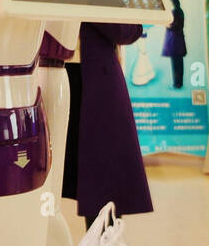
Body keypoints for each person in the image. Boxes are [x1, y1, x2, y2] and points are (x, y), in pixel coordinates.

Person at [62, 22, 154, 228]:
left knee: (104, 184)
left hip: (98, 83)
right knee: (40, 182)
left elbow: (128, 31)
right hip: (50, 76)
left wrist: (89, 0)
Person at [162, 0, 187, 88]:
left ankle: (177, 84)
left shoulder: (176, 11)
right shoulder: (180, 11)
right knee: (179, 62)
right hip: (178, 40)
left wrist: (168, 26)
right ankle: (178, 83)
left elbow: (175, 25)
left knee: (176, 63)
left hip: (175, 41)